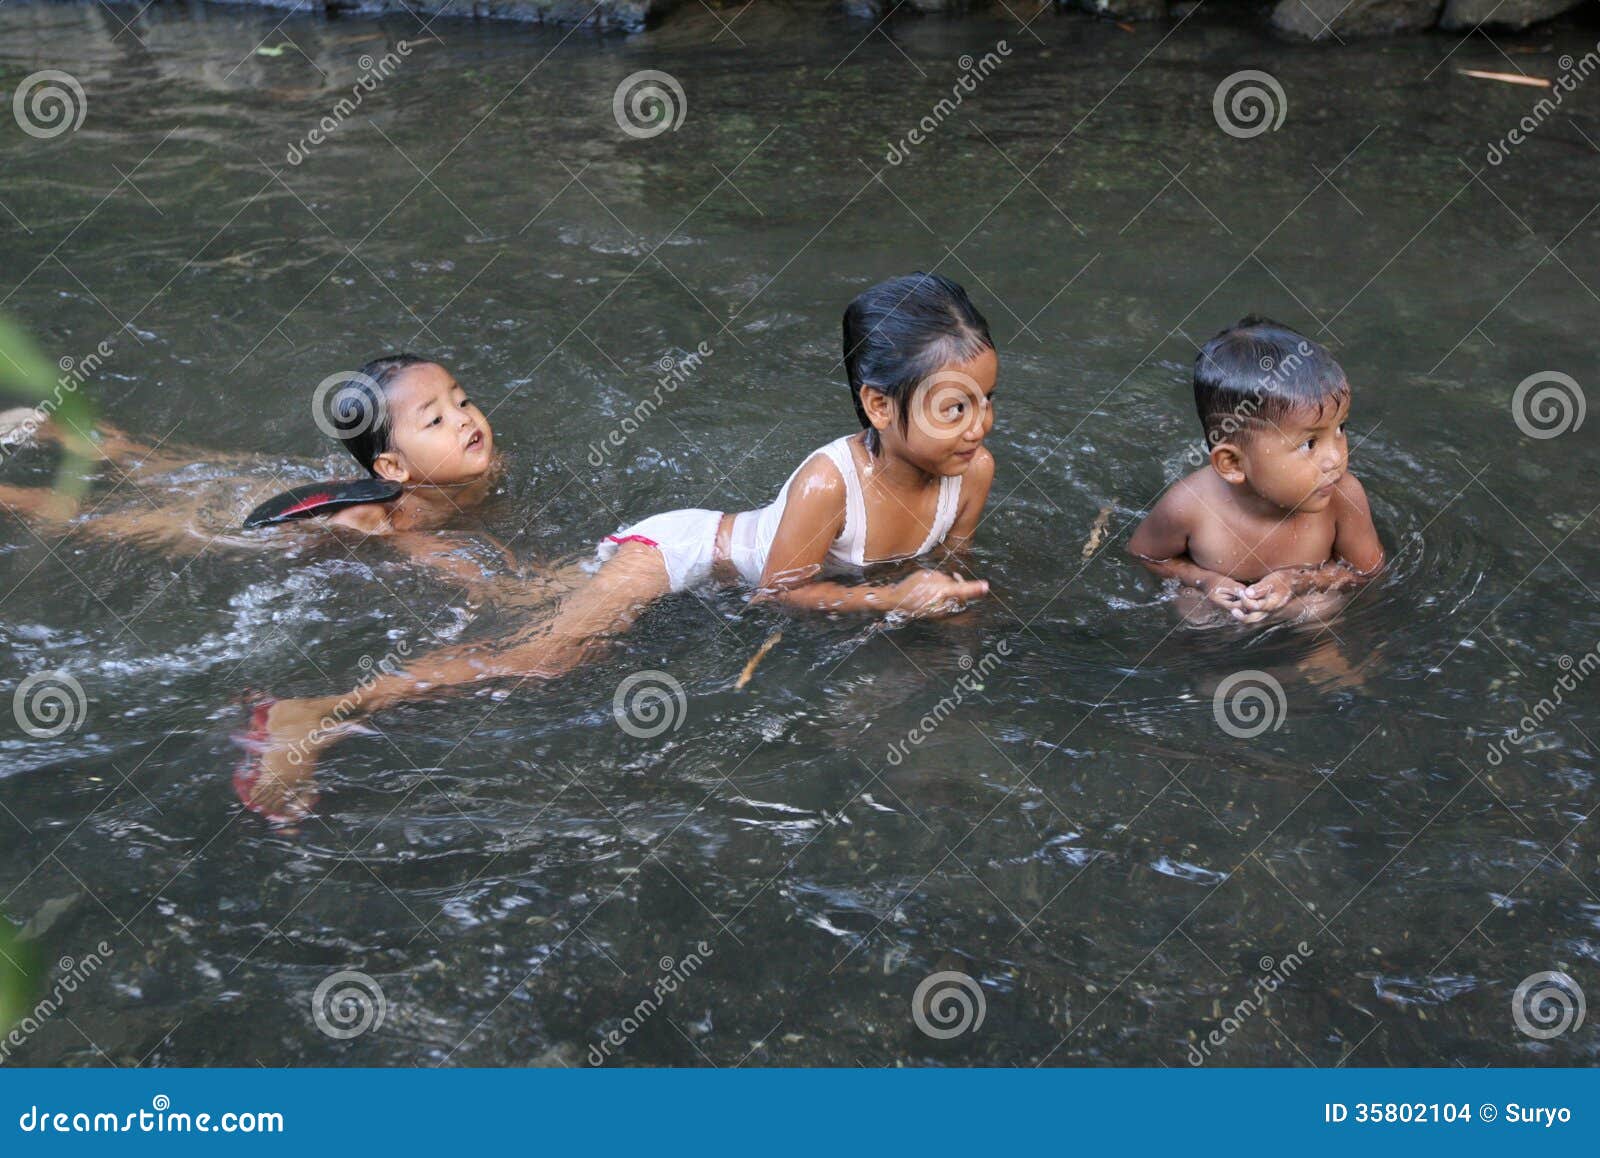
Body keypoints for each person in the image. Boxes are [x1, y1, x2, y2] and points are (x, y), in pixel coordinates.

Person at [237, 272, 1000, 823]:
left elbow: (951, 566)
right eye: (954, 407)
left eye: (987, 401)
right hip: (676, 551)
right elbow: (781, 593)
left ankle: (401, 535)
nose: (977, 426)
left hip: (706, 568)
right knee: (544, 654)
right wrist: (889, 601)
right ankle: (319, 709)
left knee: (531, 593)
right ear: (877, 403)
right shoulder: (827, 486)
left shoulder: (972, 473)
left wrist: (952, 635)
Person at [1127, 316, 1384, 625]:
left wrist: (1300, 582)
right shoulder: (1190, 505)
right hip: (1218, 608)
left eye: (1340, 428)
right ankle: (1208, 664)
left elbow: (1367, 572)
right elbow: (1146, 557)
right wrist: (1203, 581)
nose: (1336, 458)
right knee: (1194, 610)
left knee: (1319, 608)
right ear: (1233, 464)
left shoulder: (1343, 497)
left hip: (1298, 602)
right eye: (1309, 444)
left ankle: (1322, 657)